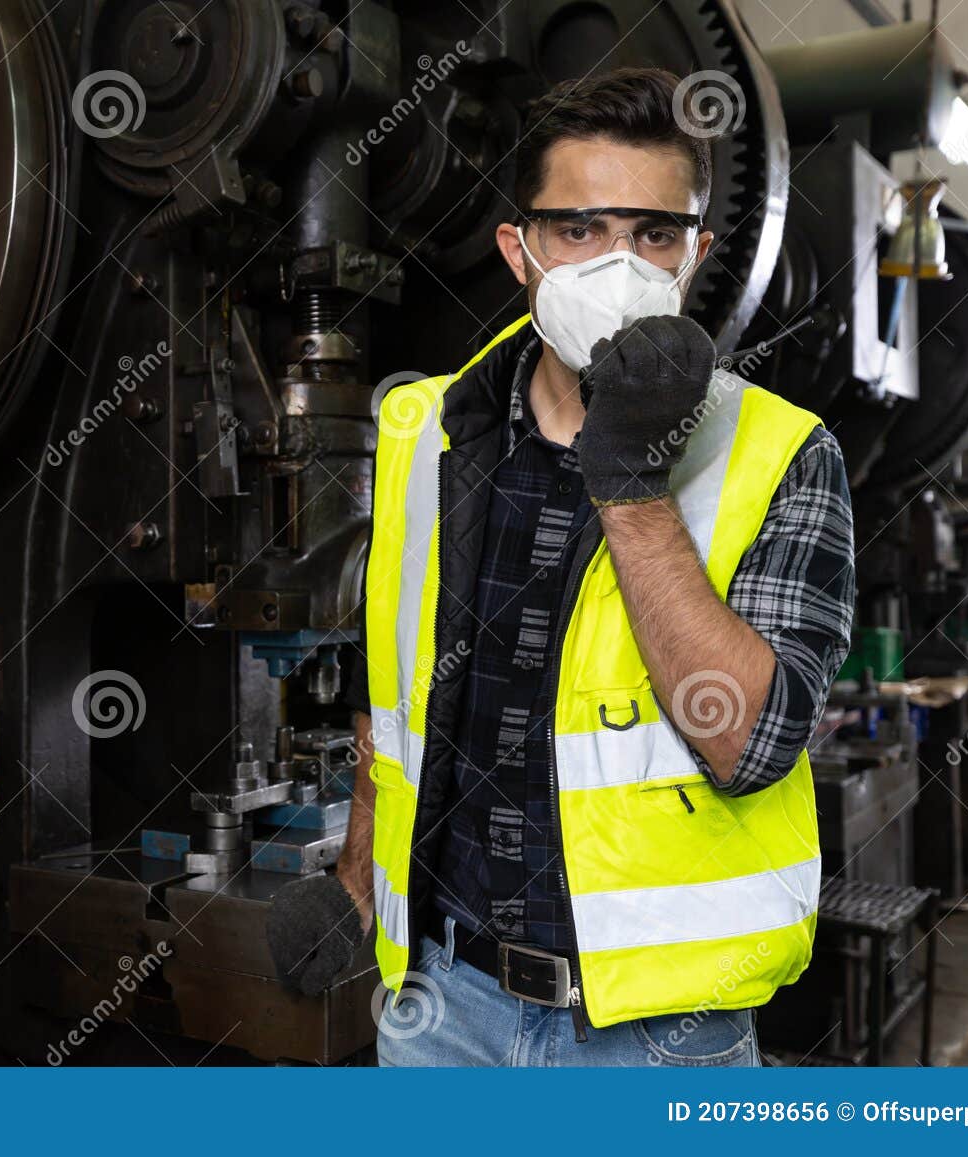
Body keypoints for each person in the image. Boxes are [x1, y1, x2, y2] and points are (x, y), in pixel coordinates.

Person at [267, 67, 856, 1067]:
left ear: (695, 254)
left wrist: (631, 490)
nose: (617, 266)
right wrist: (361, 883)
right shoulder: (426, 428)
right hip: (440, 1005)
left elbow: (748, 741)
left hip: (657, 1037)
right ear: (519, 249)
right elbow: (393, 696)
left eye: (653, 235)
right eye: (579, 231)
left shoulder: (781, 453)